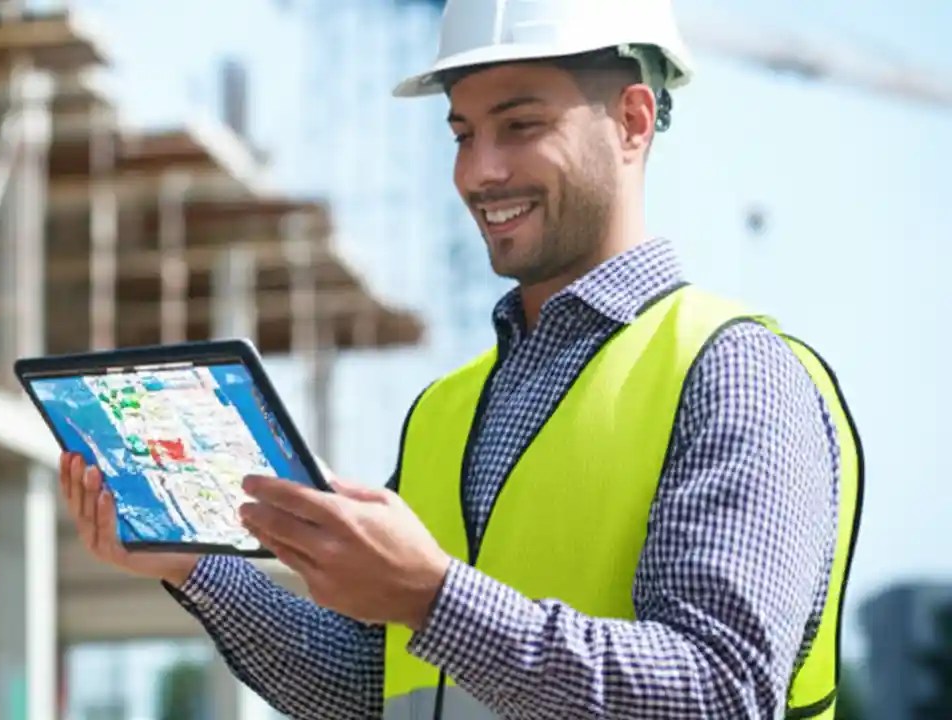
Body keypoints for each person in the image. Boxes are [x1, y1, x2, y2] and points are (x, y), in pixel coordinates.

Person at [58, 0, 864, 717]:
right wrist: (195, 569)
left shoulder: (734, 375)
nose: (480, 171)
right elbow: (370, 689)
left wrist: (433, 594)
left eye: (521, 125)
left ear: (633, 120)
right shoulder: (447, 410)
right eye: (463, 133)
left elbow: (719, 691)